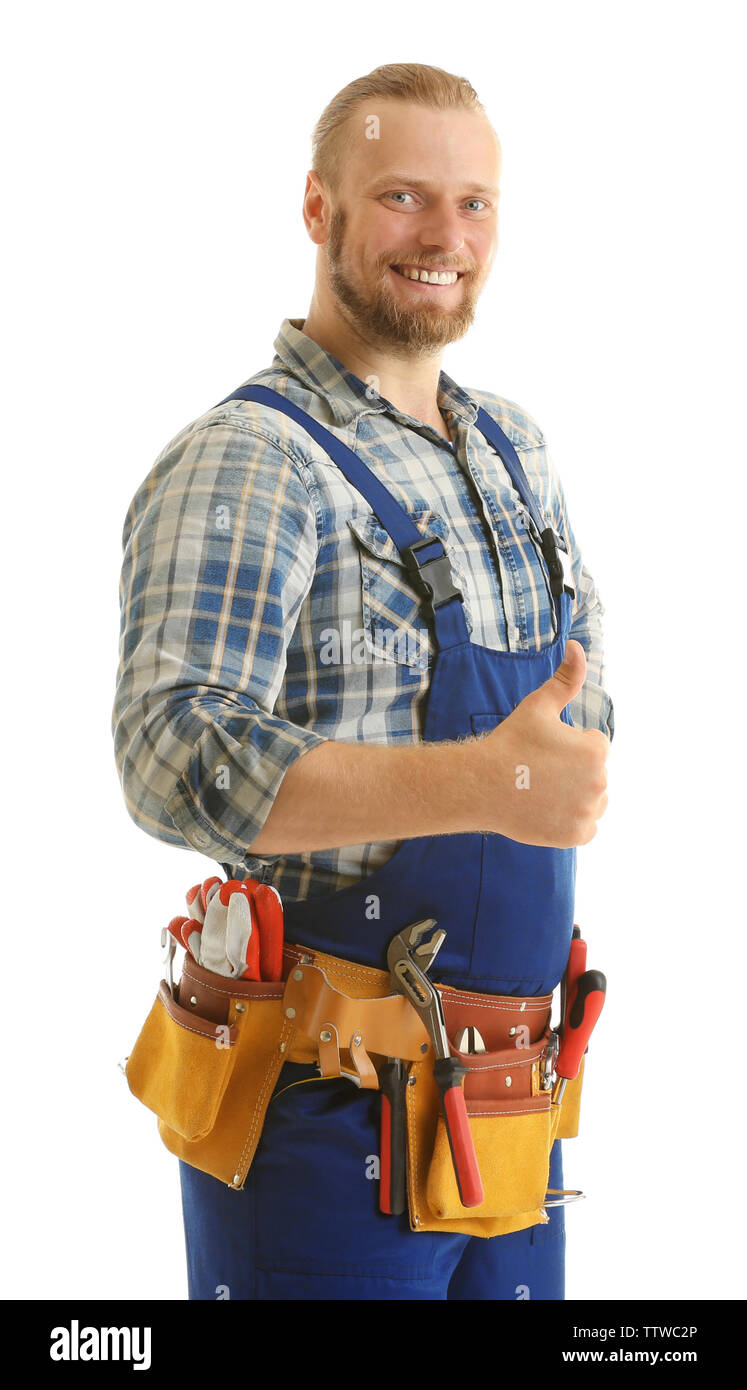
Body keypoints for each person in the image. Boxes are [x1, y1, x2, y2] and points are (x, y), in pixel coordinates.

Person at [113, 62, 613, 1301]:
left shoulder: (513, 451)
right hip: (320, 1125)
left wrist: (543, 765)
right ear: (318, 210)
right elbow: (170, 750)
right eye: (403, 195)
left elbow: (584, 705)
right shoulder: (250, 460)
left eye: (475, 203)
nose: (446, 238)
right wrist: (489, 778)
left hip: (509, 1116)